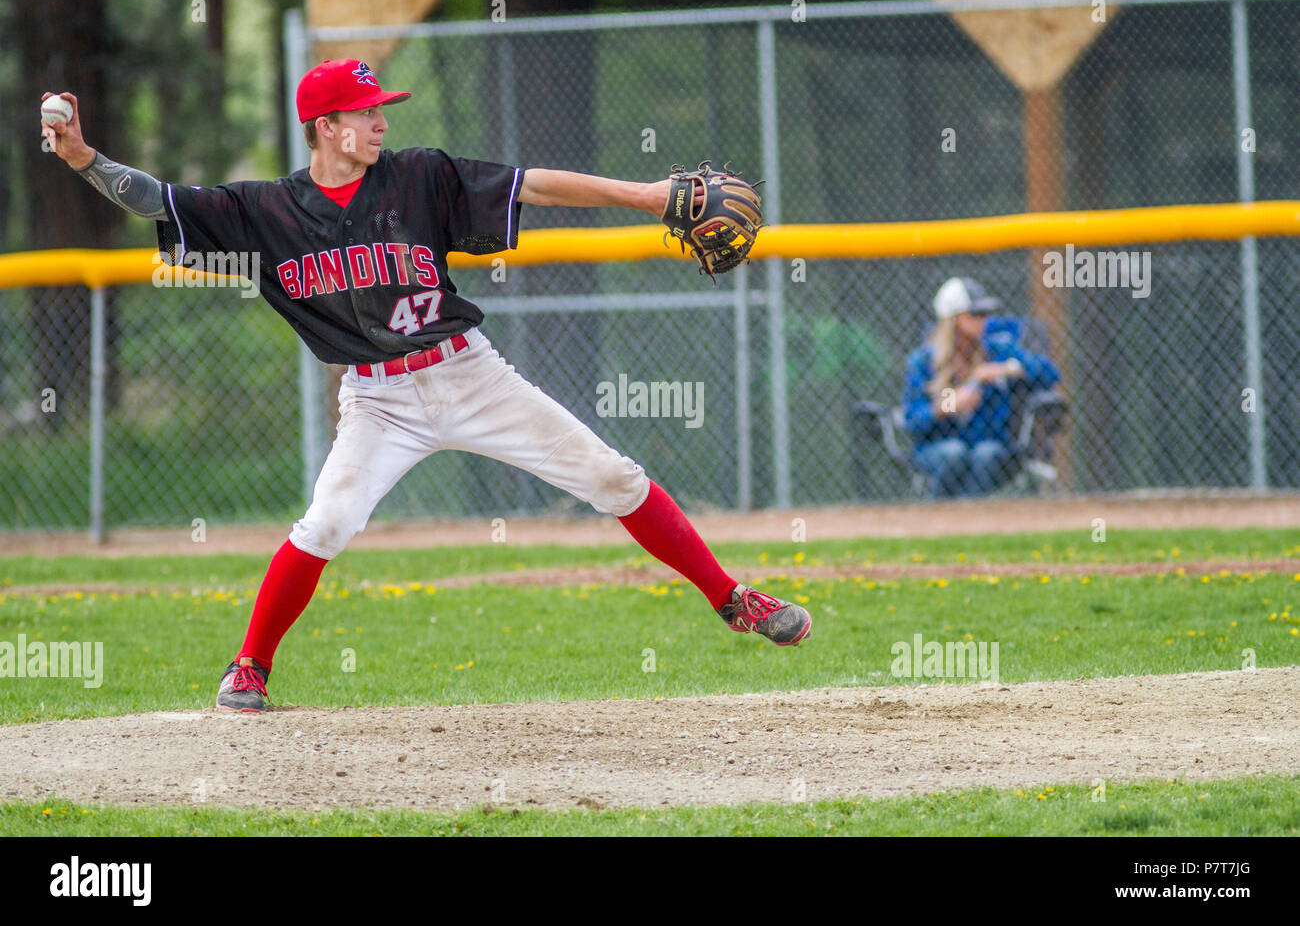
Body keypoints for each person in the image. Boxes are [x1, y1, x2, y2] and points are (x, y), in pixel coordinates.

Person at [41, 58, 811, 712]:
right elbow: (159, 198)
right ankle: (250, 666)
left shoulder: (420, 177)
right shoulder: (265, 212)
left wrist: (645, 197)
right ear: (326, 127)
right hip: (377, 400)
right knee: (328, 523)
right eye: (366, 112)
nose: (381, 123)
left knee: (612, 474)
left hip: (467, 373)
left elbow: (533, 186)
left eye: (381, 111)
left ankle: (731, 598)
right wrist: (84, 160)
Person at [902, 277, 1060, 499]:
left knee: (986, 454)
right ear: (954, 319)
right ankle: (938, 517)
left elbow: (1049, 373)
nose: (984, 321)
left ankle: (971, 518)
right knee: (953, 453)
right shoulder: (925, 361)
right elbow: (912, 418)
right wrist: (948, 405)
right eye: (975, 314)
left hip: (987, 442)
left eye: (985, 314)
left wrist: (1007, 368)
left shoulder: (996, 350)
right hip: (937, 446)